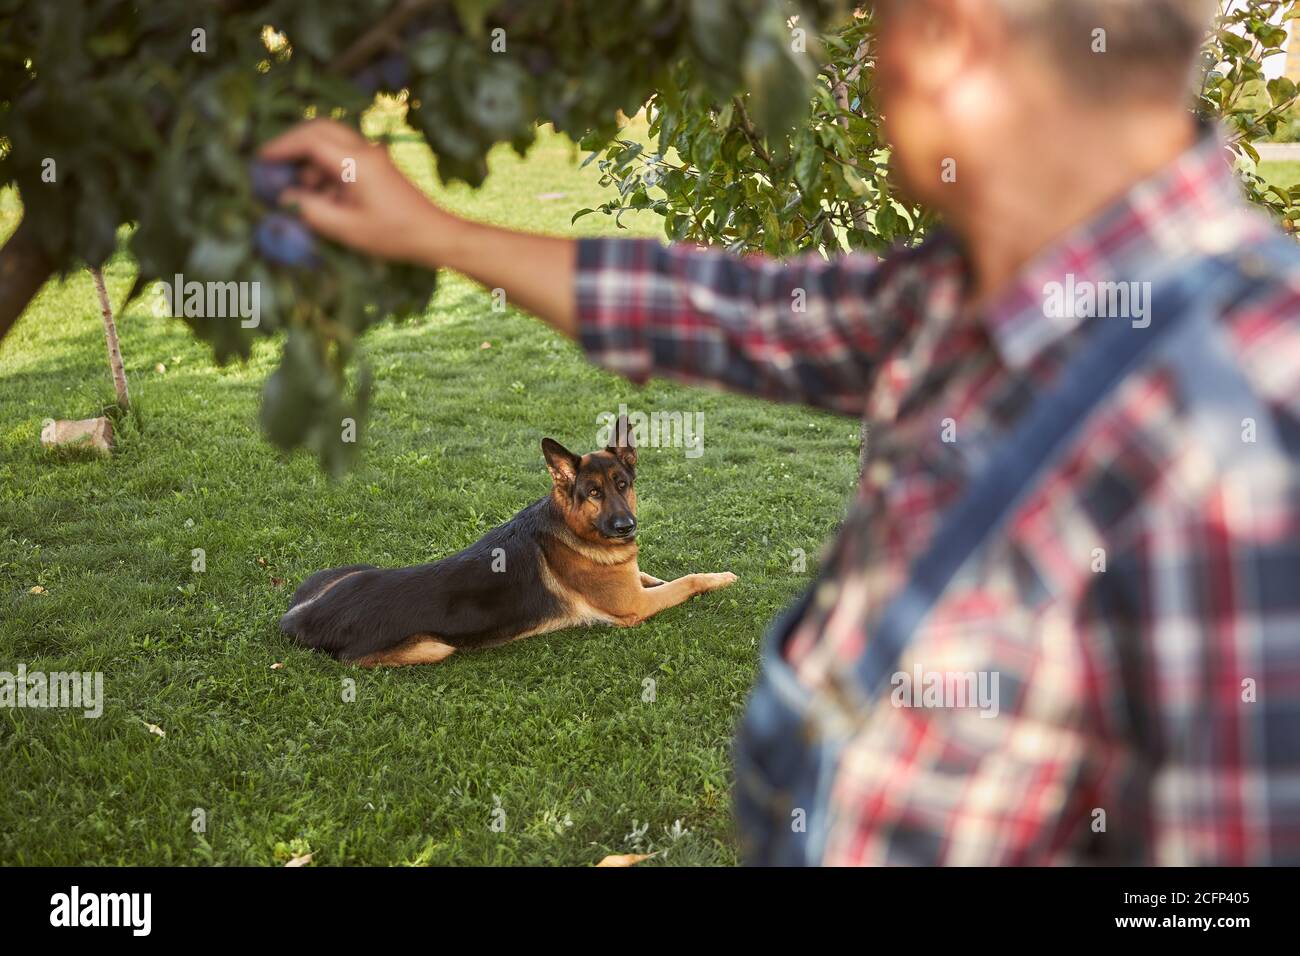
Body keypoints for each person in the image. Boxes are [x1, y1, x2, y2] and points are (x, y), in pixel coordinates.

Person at [261, 0, 1300, 865]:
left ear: (958, 41)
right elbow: (725, 307)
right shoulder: (975, 280)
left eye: (884, 31)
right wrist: (432, 231)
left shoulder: (1243, 395)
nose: (867, 80)